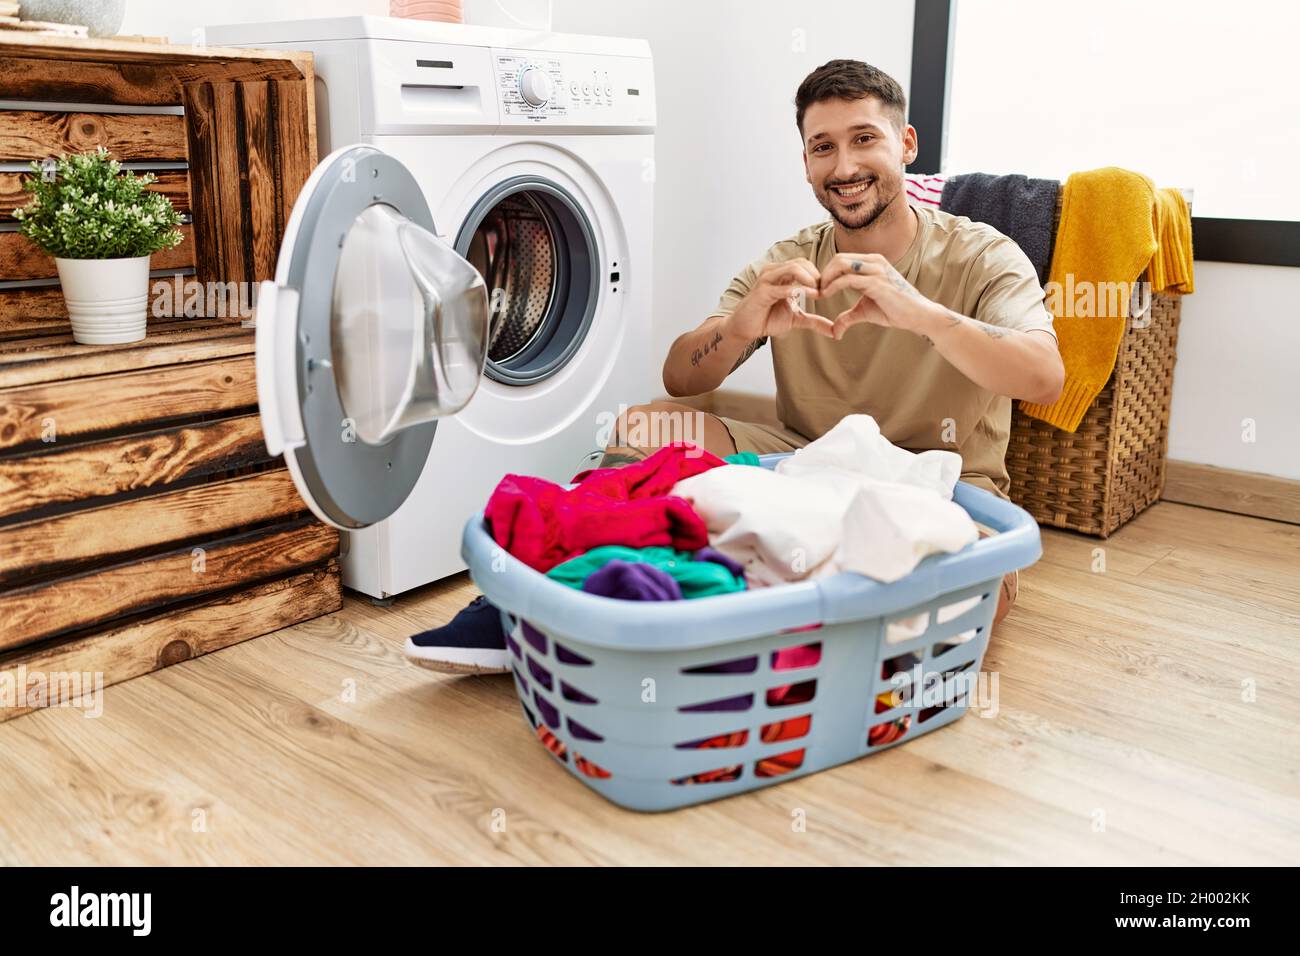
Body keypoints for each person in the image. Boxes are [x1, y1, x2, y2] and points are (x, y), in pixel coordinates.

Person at [405, 58, 1063, 674]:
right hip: (803, 461)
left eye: (865, 139)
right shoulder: (790, 258)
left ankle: (722, 635)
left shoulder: (981, 255)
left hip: (940, 479)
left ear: (907, 145)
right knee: (644, 427)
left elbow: (1044, 377)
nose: (845, 164)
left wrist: (921, 313)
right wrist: (745, 324)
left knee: (964, 604)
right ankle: (558, 597)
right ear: (805, 162)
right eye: (823, 146)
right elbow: (682, 378)